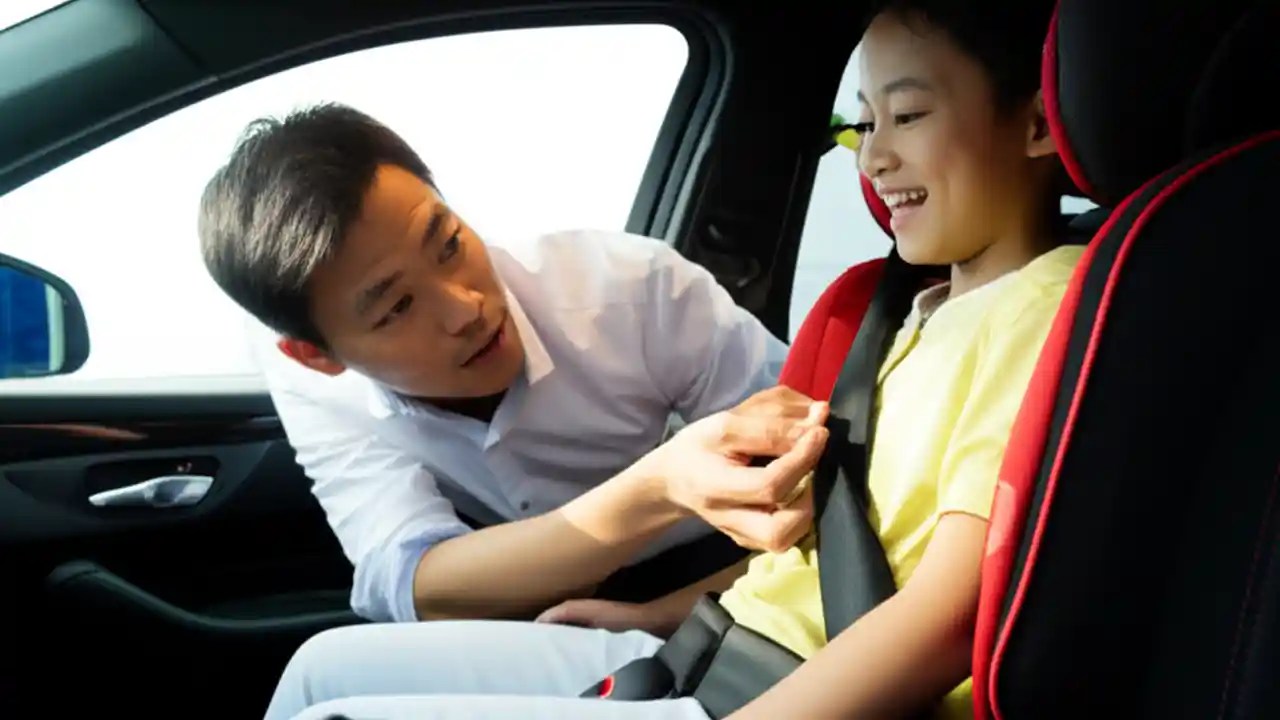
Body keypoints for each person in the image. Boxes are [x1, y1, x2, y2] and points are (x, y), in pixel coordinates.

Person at [264, 0, 1083, 717]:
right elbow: (816, 549)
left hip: (799, 682)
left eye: (906, 118)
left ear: (1043, 120)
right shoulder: (907, 314)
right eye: (862, 126)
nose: (871, 158)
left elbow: (952, 609)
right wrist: (656, 614)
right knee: (317, 669)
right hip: (722, 641)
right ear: (319, 355)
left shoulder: (1047, 307)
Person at [198, 103, 811, 627]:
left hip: (734, 558)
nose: (464, 308)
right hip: (527, 607)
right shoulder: (319, 388)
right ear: (316, 355)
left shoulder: (629, 288)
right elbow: (411, 578)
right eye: (398, 306)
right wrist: (657, 487)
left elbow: (837, 487)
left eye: (449, 245)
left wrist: (665, 614)